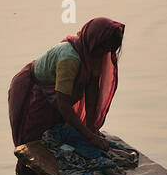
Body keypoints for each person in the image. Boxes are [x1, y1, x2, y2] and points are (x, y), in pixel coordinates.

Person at [8, 18, 125, 148]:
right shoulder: (70, 60)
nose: (103, 54)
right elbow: (63, 104)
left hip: (57, 93)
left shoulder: (94, 55)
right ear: (94, 41)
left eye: (108, 50)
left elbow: (92, 92)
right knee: (33, 140)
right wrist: (90, 137)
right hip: (33, 90)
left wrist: (91, 128)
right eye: (102, 49)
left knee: (58, 134)